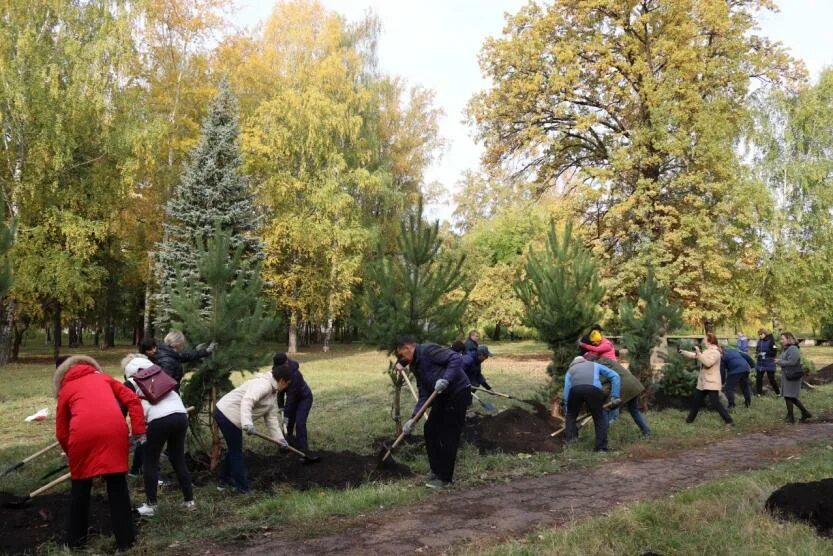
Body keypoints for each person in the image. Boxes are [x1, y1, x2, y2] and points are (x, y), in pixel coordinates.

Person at [54, 355, 146, 551]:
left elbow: (61, 432)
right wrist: (138, 430)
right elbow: (132, 399)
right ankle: (126, 542)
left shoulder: (66, 388)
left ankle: (76, 542)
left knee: (80, 489)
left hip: (82, 436)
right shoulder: (105, 378)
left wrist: (72, 455)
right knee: (117, 485)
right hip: (115, 432)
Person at [122, 354, 194, 516]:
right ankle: (189, 501)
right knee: (178, 458)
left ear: (128, 370)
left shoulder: (131, 382)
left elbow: (123, 407)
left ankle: (152, 505)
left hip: (159, 419)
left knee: (150, 462)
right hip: (180, 415)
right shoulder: (161, 374)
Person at [396, 336, 471, 489]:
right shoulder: (415, 365)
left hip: (458, 392)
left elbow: (456, 359)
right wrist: (413, 419)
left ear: (408, 348)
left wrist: (446, 379)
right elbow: (424, 393)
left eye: (401, 355)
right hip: (441, 395)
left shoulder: (428, 350)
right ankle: (436, 471)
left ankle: (445, 478)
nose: (401, 359)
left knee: (449, 434)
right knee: (430, 429)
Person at [214, 364, 290, 493]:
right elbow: (247, 401)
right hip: (226, 413)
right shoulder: (263, 385)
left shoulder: (273, 392)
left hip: (232, 415)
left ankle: (223, 480)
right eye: (288, 383)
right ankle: (242, 488)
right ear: (282, 380)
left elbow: (271, 418)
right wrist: (247, 423)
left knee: (234, 449)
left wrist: (280, 439)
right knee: (236, 452)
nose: (287, 386)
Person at [563, 355, 621, 451]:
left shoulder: (570, 370)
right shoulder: (594, 364)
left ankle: (571, 444)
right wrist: (615, 396)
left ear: (573, 363)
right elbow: (615, 376)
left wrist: (566, 405)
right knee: (599, 417)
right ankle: (601, 448)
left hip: (575, 391)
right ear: (584, 360)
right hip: (593, 390)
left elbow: (567, 388)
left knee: (571, 416)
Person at [586, 353, 650, 437]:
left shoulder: (598, 365)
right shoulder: (607, 360)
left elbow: (604, 383)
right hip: (634, 385)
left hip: (624, 386)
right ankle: (647, 433)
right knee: (634, 410)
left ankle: (603, 437)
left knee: (605, 409)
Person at [680, 334, 733, 425]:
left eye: (705, 339)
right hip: (703, 382)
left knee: (715, 403)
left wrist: (698, 352)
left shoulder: (715, 352)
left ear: (709, 341)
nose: (703, 341)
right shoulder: (707, 351)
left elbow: (707, 363)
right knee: (696, 401)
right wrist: (684, 352)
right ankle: (689, 421)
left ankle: (729, 420)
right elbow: (696, 356)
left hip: (711, 382)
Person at [274, 352, 313, 452]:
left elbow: (290, 398)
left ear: (286, 363)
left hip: (304, 398)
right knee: (288, 425)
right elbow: (280, 389)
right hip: (292, 400)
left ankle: (303, 449)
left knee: (299, 422)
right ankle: (286, 447)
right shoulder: (277, 369)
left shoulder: (295, 375)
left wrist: (286, 416)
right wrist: (281, 406)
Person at [776, 331, 812, 423]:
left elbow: (792, 362)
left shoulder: (793, 348)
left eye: (782, 339)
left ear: (789, 339)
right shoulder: (787, 348)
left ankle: (792, 417)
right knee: (788, 396)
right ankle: (802, 413)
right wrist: (779, 360)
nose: (781, 341)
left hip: (793, 375)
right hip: (788, 375)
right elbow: (786, 360)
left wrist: (779, 362)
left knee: (789, 396)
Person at [755, 328, 780, 396]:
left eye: (761, 334)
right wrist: (757, 354)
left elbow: (774, 352)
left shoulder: (771, 341)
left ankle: (778, 393)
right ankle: (758, 393)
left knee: (771, 379)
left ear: (765, 334)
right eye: (759, 335)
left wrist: (765, 353)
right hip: (760, 363)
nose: (760, 336)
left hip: (769, 363)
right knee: (759, 378)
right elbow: (757, 350)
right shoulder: (759, 341)